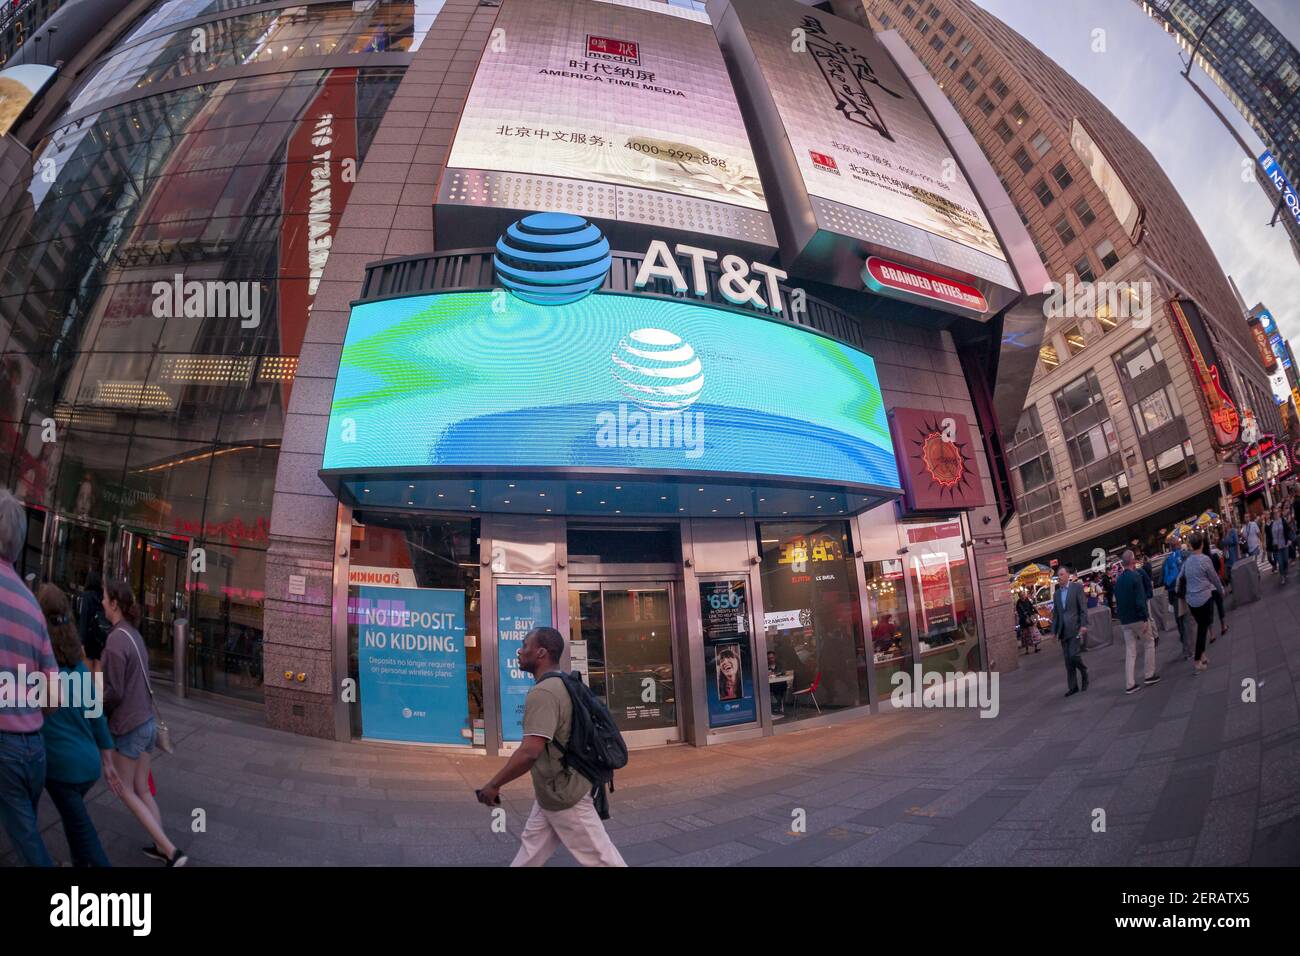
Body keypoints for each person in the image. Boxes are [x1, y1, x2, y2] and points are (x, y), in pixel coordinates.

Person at [476, 626, 625, 867]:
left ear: (541, 653)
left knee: (602, 859)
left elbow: (529, 752)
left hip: (565, 793)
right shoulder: (564, 682)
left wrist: (494, 785)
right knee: (531, 851)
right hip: (553, 789)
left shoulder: (544, 692)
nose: (520, 651)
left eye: (525, 646)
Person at [101, 578, 187, 866]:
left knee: (124, 790)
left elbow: (114, 692)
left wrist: (94, 708)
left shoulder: (115, 640)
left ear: (114, 604)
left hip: (129, 726)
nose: (101, 602)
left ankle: (171, 851)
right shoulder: (134, 635)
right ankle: (161, 846)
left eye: (104, 598)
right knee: (141, 788)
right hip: (148, 723)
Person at [37, 584, 121, 867]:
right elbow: (96, 715)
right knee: (75, 827)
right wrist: (107, 760)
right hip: (87, 767)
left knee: (81, 832)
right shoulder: (79, 667)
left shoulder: (42, 668)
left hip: (62, 768)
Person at [0, 489, 59, 866]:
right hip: (34, 749)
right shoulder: (31, 605)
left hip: (5, 746)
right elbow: (54, 696)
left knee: (30, 850)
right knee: (25, 834)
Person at [1114, 550, 1159, 694]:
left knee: (1130, 651)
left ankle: (1130, 684)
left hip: (1125, 620)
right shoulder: (1135, 577)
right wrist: (1144, 618)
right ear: (1133, 561)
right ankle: (1149, 674)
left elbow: (1117, 602)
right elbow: (1140, 599)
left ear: (1122, 563)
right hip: (1137, 618)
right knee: (1149, 642)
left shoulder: (1118, 580)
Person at [1177, 533, 1223, 674]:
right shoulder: (1205, 560)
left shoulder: (1188, 561)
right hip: (1204, 597)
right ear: (1202, 544)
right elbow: (1214, 577)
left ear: (1191, 546)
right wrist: (1220, 589)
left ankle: (1202, 655)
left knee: (1201, 625)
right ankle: (1197, 660)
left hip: (1191, 600)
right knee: (1203, 628)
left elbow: (1179, 578)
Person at [1050, 566, 1089, 697]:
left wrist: (1083, 624)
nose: (1059, 577)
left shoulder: (1076, 588)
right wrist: (1054, 631)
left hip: (1075, 628)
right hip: (1063, 631)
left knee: (1074, 655)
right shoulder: (1056, 594)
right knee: (1068, 661)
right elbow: (1056, 614)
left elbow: (1083, 608)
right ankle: (1073, 686)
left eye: (1061, 574)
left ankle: (1084, 672)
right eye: (1058, 575)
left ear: (1068, 575)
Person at [76, 570, 110, 669]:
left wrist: (81, 642)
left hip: (89, 638)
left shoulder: (87, 596)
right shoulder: (102, 596)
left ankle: (90, 685)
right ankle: (98, 684)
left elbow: (84, 619)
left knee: (88, 669)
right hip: (100, 637)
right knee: (98, 668)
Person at [1270, 507, 1292, 585]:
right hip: (1277, 546)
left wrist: (1289, 539)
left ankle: (1285, 571)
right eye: (1274, 513)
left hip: (1284, 544)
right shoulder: (1272, 524)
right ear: (1273, 515)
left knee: (1285, 560)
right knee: (1280, 562)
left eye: (1277, 512)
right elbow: (1271, 536)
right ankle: (1282, 576)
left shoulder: (1283, 521)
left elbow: (1288, 530)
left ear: (1279, 513)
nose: (1276, 514)